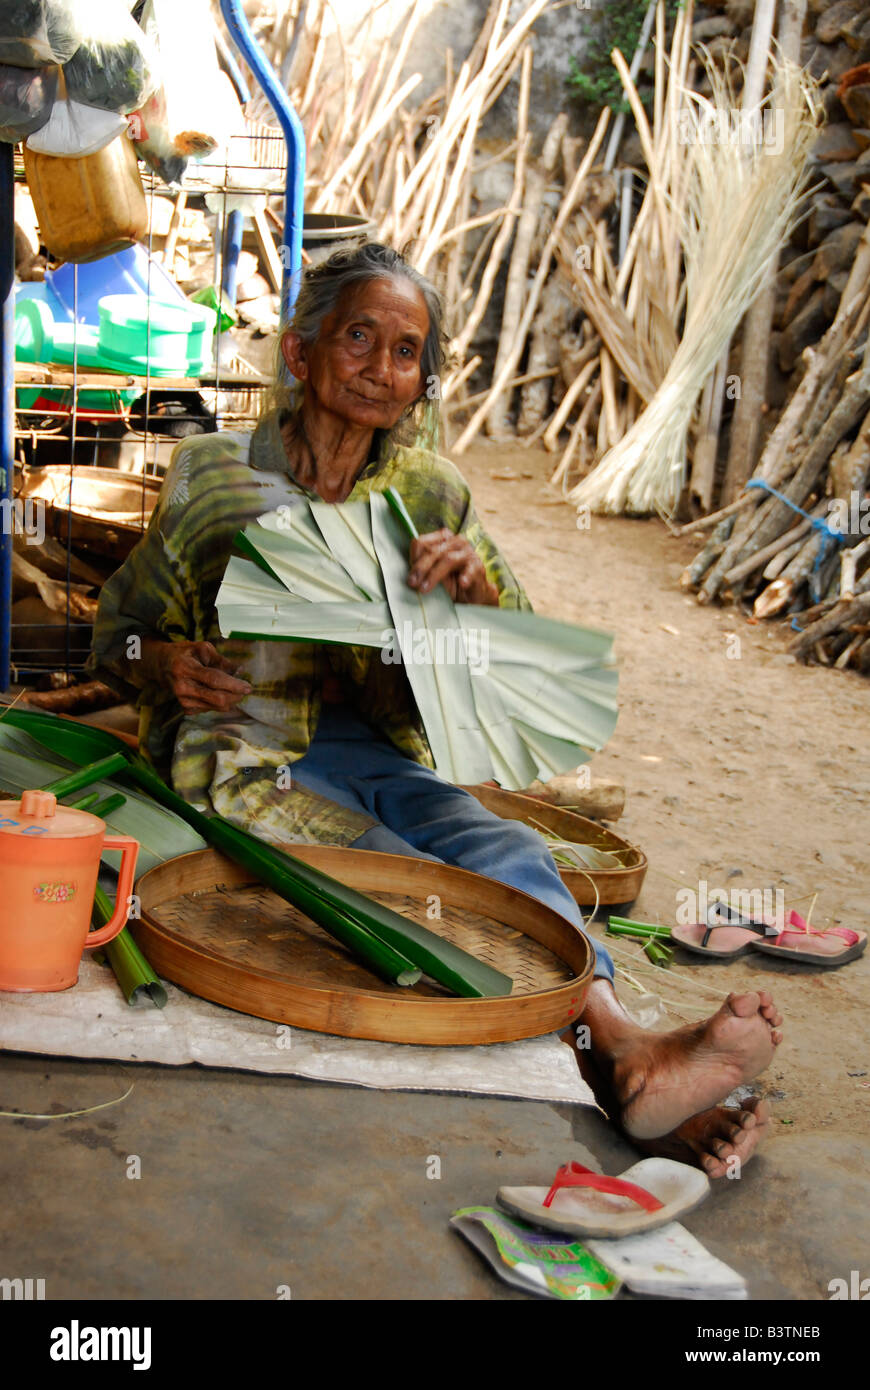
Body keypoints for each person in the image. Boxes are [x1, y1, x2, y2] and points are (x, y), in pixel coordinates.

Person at [90, 243, 782, 1175]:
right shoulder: (214, 473)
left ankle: (617, 1036)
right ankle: (614, 1067)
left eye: (408, 352)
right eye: (360, 338)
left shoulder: (430, 494)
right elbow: (115, 638)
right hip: (241, 751)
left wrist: (478, 607)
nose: (382, 369)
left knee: (507, 851)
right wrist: (167, 662)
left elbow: (513, 681)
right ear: (301, 353)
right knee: (411, 882)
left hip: (377, 745)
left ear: (424, 381)